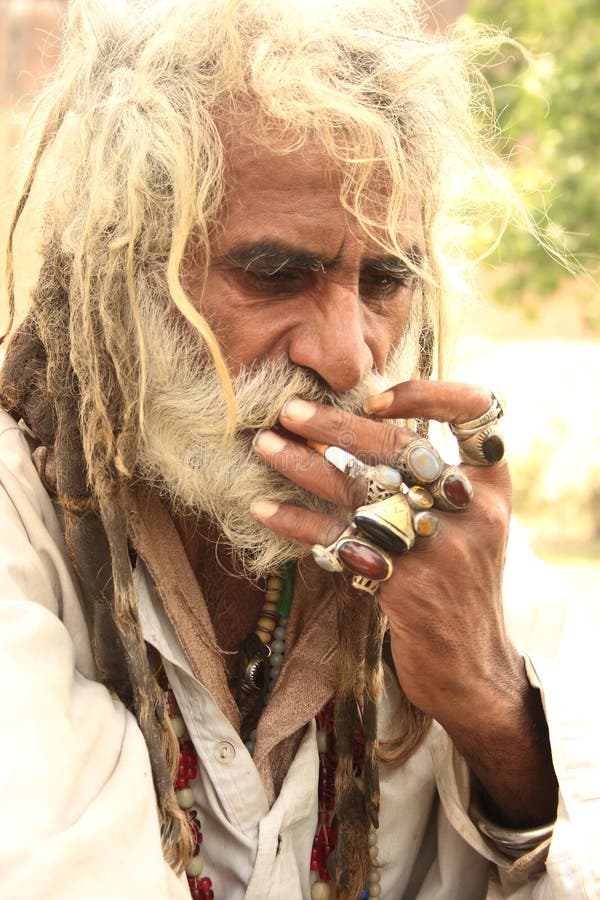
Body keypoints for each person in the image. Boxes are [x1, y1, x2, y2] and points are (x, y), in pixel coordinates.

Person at [0, 0, 597, 897]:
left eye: (387, 280)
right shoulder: (21, 520)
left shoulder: (440, 545)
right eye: (276, 274)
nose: (349, 354)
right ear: (119, 273)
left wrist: (491, 702)